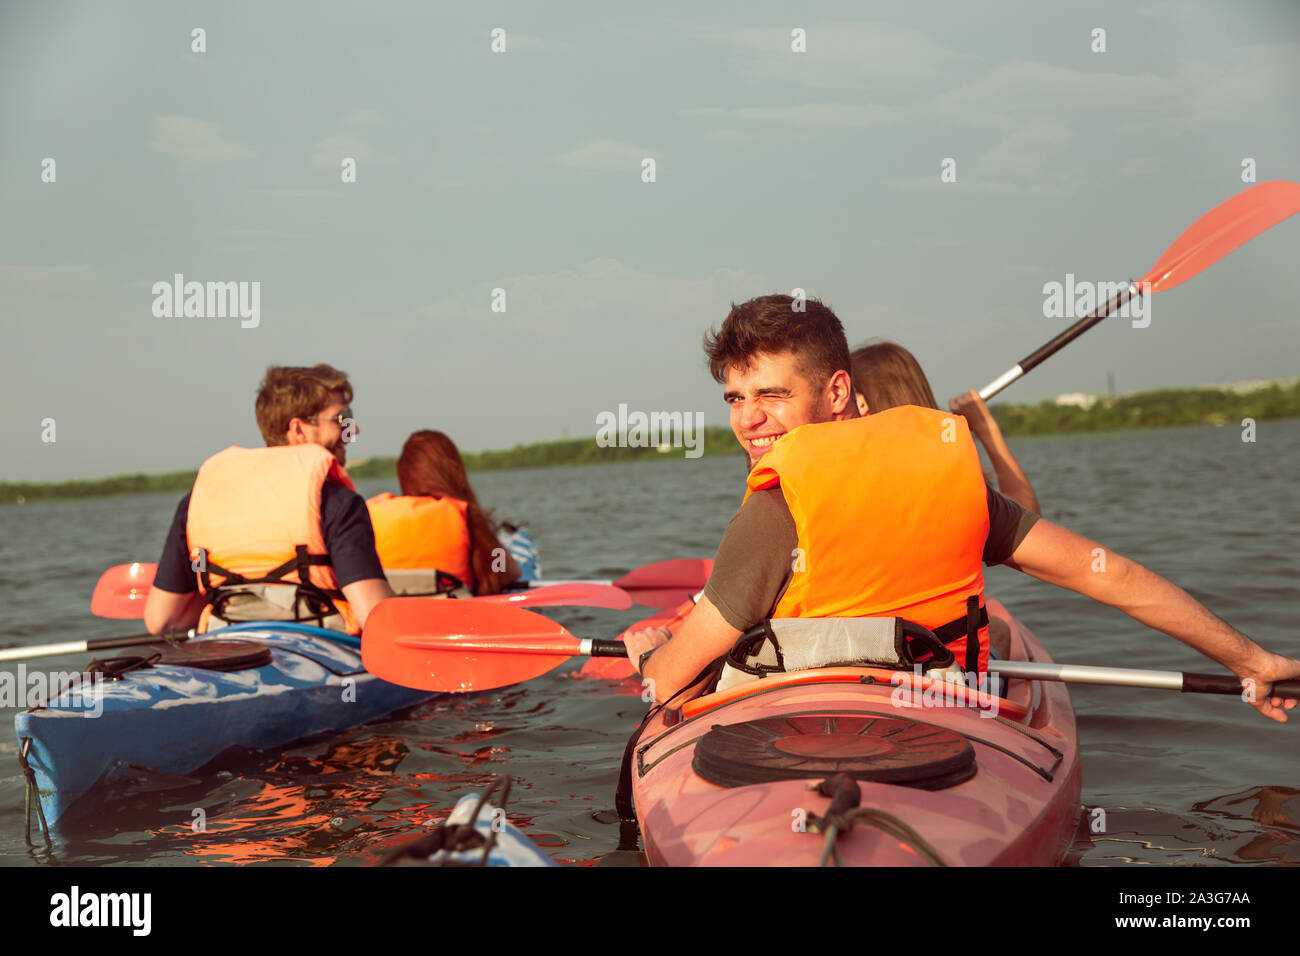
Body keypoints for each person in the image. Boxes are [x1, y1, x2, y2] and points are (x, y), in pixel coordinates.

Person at [625, 294, 1300, 723]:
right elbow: (1102, 573)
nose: (750, 420)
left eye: (770, 395)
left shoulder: (771, 512)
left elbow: (667, 686)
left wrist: (648, 655)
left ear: (836, 391)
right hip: (943, 719)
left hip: (801, 736)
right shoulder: (951, 484)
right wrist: (1250, 659)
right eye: (736, 399)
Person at [143, 364, 393, 636]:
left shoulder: (196, 503)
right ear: (299, 429)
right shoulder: (337, 502)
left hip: (224, 651)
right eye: (341, 418)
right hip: (325, 655)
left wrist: (243, 599)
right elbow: (374, 616)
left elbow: (161, 620)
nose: (352, 429)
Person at [851, 340, 1040, 513]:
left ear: (862, 403)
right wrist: (985, 426)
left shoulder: (860, 480)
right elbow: (1027, 519)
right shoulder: (957, 479)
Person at [367, 430, 521, 595]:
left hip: (391, 618)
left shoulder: (367, 517)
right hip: (457, 617)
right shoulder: (464, 516)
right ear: (452, 472)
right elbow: (509, 573)